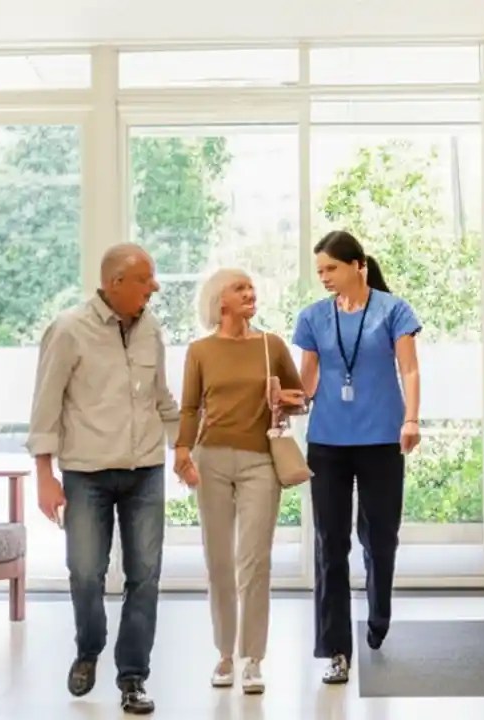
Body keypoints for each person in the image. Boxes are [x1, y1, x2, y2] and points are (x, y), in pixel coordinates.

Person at [26, 243, 180, 715]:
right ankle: (88, 649)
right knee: (86, 573)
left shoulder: (151, 329)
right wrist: (44, 477)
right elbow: (46, 405)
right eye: (145, 279)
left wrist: (186, 447)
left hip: (145, 471)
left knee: (145, 576)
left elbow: (162, 399)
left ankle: (132, 677)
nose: (154, 287)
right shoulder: (69, 330)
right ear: (115, 283)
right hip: (86, 473)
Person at [292, 230, 422, 684]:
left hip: (382, 438)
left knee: (379, 536)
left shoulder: (393, 310)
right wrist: (285, 401)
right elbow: (307, 379)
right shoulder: (312, 318)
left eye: (331, 268)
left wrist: (411, 419)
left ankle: (379, 615)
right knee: (331, 544)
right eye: (320, 271)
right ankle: (335, 650)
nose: (324, 277)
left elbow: (409, 367)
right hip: (327, 441)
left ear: (357, 266)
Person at [174, 268, 307, 695]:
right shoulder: (200, 350)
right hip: (210, 458)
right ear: (220, 301)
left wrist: (286, 401)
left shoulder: (271, 345)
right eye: (240, 288)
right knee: (218, 562)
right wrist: (181, 451)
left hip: (259, 462)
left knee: (254, 561)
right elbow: (191, 407)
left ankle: (253, 659)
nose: (250, 293)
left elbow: (301, 397)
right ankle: (224, 655)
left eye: (252, 287)